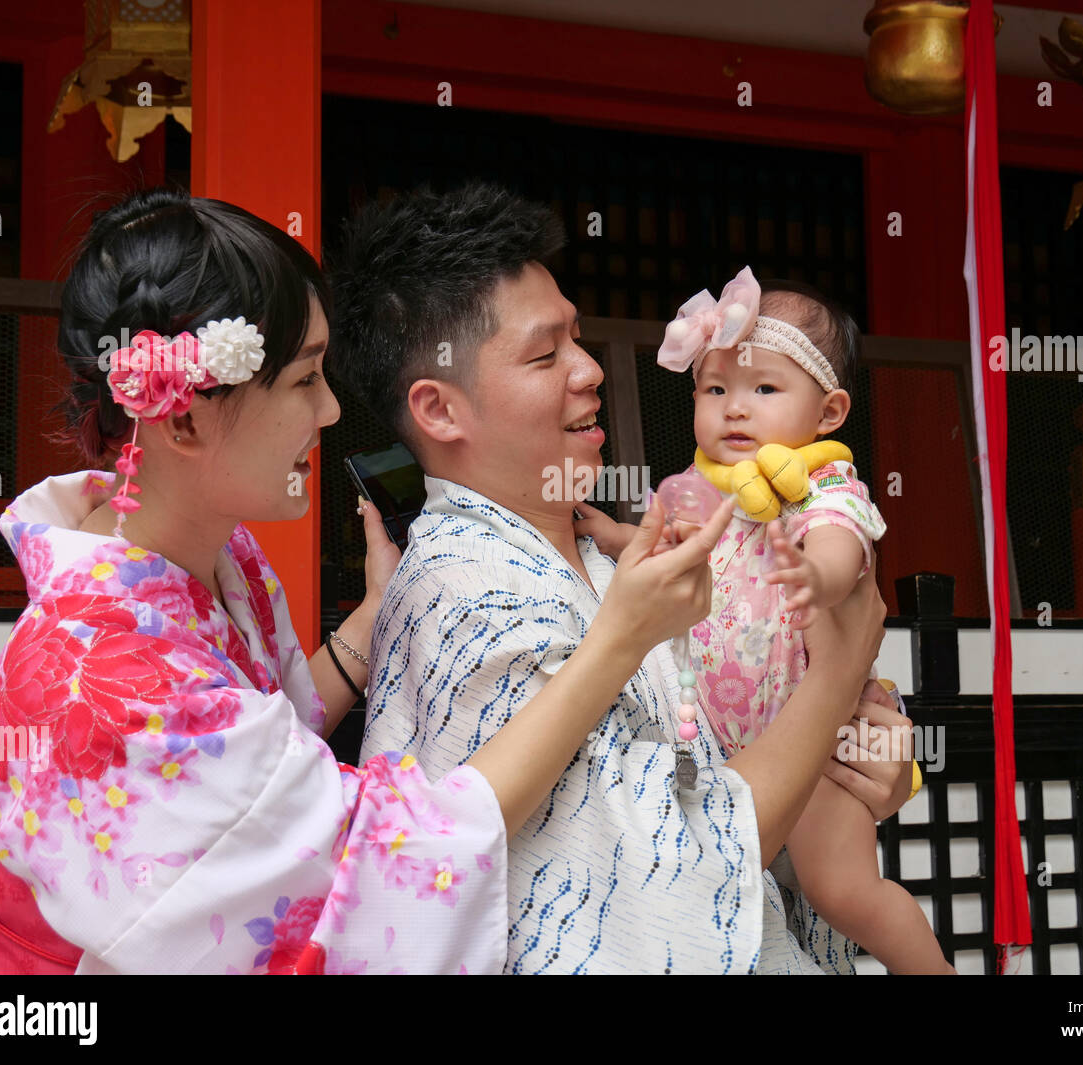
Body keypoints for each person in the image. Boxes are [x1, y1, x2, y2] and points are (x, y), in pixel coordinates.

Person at [0, 188, 731, 975]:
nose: (329, 411)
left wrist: (372, 618)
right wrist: (618, 641)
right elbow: (385, 862)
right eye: (302, 379)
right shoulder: (111, 683)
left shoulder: (209, 557)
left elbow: (266, 742)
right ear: (182, 420)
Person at [332, 182, 912, 974]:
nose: (590, 370)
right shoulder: (469, 595)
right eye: (546, 354)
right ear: (438, 409)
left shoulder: (605, 557)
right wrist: (836, 676)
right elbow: (672, 873)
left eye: (577, 339)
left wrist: (850, 756)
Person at [576, 267, 952, 974]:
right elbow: (669, 546)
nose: (735, 410)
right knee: (739, 877)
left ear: (830, 411)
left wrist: (817, 574)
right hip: (725, 744)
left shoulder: (820, 484)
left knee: (841, 890)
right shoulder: (697, 487)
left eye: (763, 389)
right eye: (715, 389)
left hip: (821, 737)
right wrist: (615, 534)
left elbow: (844, 542)